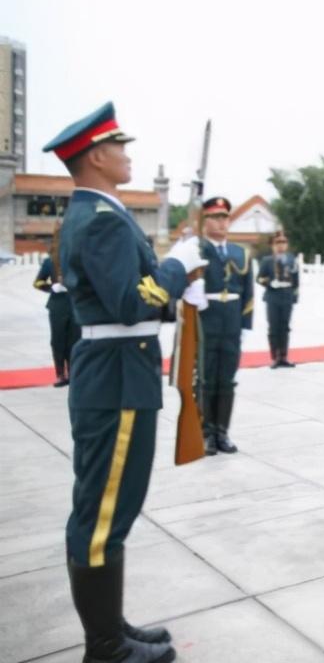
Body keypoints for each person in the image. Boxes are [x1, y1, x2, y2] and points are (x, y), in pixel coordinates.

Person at [43, 101, 208, 662]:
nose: (127, 154)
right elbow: (133, 300)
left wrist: (174, 280)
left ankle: (111, 626)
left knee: (114, 509)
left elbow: (140, 305)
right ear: (96, 155)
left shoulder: (99, 215)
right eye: (120, 145)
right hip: (115, 384)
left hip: (120, 378)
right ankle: (106, 647)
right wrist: (176, 264)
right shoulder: (102, 220)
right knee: (101, 515)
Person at [198, 196, 254, 454]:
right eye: (215, 217)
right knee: (207, 379)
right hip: (206, 320)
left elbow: (248, 292)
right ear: (205, 221)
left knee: (227, 379)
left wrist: (244, 325)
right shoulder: (196, 249)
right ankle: (207, 433)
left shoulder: (240, 253)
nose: (221, 223)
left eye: (224, 218)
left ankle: (223, 432)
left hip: (231, 321)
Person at [33, 222, 81, 386]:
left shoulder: (76, 259)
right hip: (58, 305)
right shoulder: (49, 262)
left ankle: (73, 373)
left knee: (74, 340)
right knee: (58, 340)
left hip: (74, 303)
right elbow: (38, 283)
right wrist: (51, 287)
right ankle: (60, 374)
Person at [256, 229, 299, 368]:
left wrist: (294, 297)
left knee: (285, 327)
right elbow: (259, 278)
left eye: (284, 242)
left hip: (286, 295)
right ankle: (275, 357)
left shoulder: (292, 259)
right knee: (273, 327)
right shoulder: (267, 261)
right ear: (273, 245)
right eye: (278, 242)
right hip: (272, 297)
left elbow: (296, 280)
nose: (281, 245)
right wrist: (269, 283)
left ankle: (284, 357)